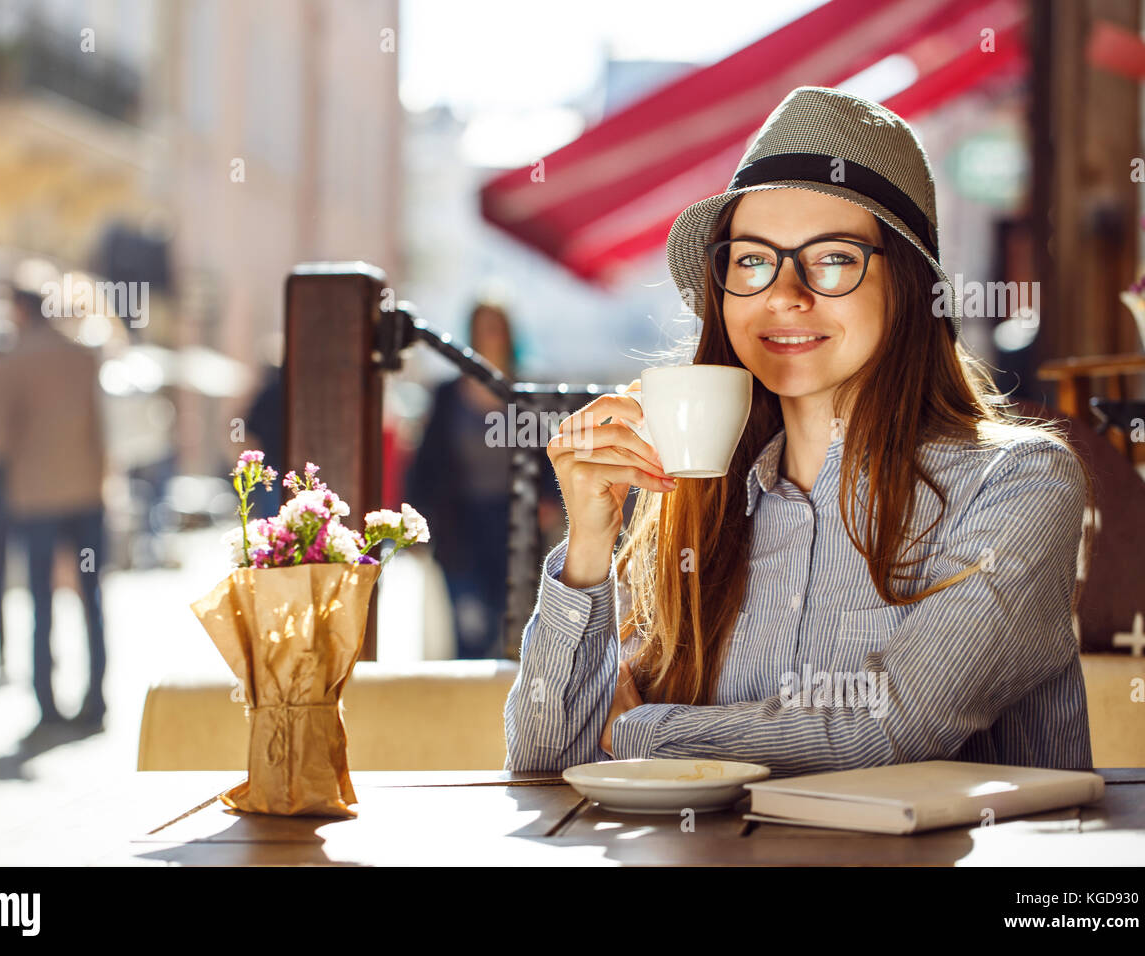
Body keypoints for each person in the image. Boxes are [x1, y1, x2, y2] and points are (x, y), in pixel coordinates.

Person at [504, 86, 1096, 775]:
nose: (786, 294)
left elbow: (896, 723)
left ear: (906, 284)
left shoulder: (1017, 484)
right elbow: (545, 765)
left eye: (834, 258)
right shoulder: (689, 507)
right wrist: (588, 546)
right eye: (752, 260)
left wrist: (635, 732)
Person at [405, 301, 561, 659]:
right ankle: (470, 708)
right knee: (470, 626)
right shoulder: (447, 396)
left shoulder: (528, 391)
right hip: (461, 526)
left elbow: (551, 451)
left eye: (497, 326)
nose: (491, 335)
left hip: (517, 522)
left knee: (520, 627)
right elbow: (426, 462)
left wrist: (551, 500)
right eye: (483, 326)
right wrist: (417, 521)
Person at [0, 277, 108, 732]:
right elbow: (99, 428)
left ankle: (47, 704)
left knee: (41, 600)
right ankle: (97, 697)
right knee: (91, 596)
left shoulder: (11, 363)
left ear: (19, 309)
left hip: (35, 496)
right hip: (86, 493)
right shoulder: (82, 356)